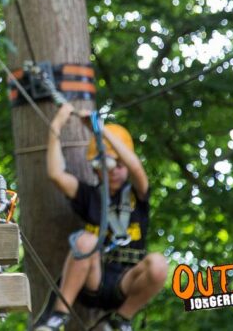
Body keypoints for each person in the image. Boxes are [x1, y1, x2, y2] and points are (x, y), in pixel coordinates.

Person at [33, 105, 168, 331]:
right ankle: (58, 316)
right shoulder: (90, 196)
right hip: (94, 276)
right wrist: (56, 125)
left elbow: (136, 167)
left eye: (117, 163)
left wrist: (100, 130)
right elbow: (56, 175)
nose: (112, 170)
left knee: (158, 264)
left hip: (126, 281)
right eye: (103, 163)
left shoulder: (138, 194)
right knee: (85, 240)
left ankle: (120, 319)